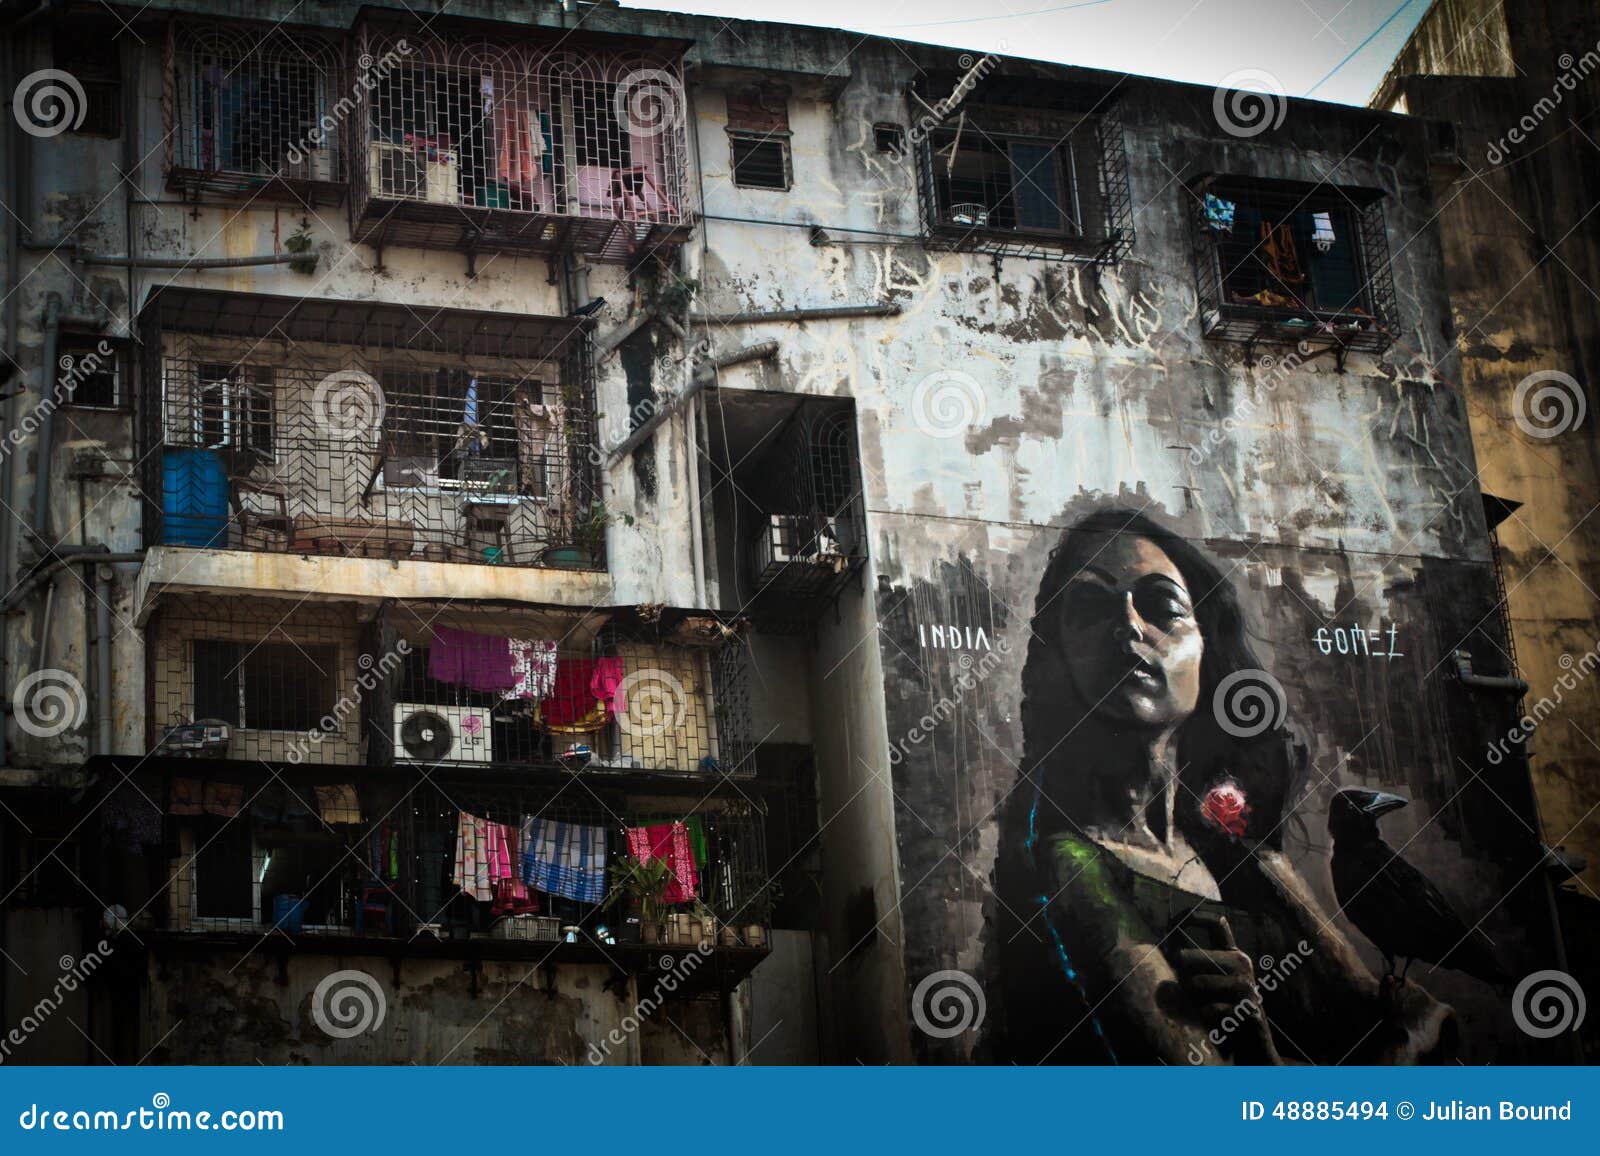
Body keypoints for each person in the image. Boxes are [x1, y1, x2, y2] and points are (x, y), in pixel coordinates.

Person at [986, 508, 1454, 1064]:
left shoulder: (1243, 854)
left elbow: (1382, 1012)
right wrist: (1403, 1041)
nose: (1129, 625)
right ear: (1060, 652)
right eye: (1089, 607)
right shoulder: (1073, 865)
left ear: (1209, 645)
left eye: (1162, 606)